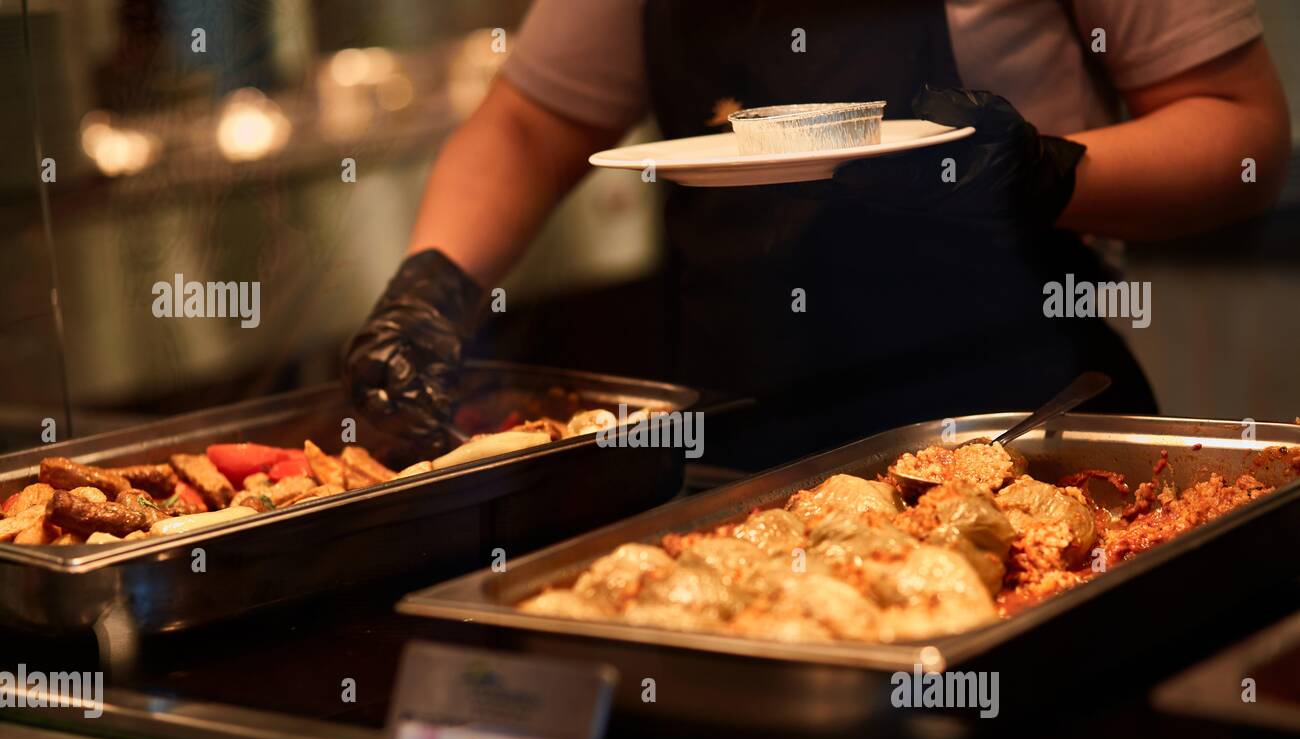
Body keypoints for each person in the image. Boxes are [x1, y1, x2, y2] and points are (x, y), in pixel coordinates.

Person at [344, 0, 1290, 469]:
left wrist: (1042, 174)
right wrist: (429, 292)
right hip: (733, 460)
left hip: (1032, 437)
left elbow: (1243, 132)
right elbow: (531, 122)